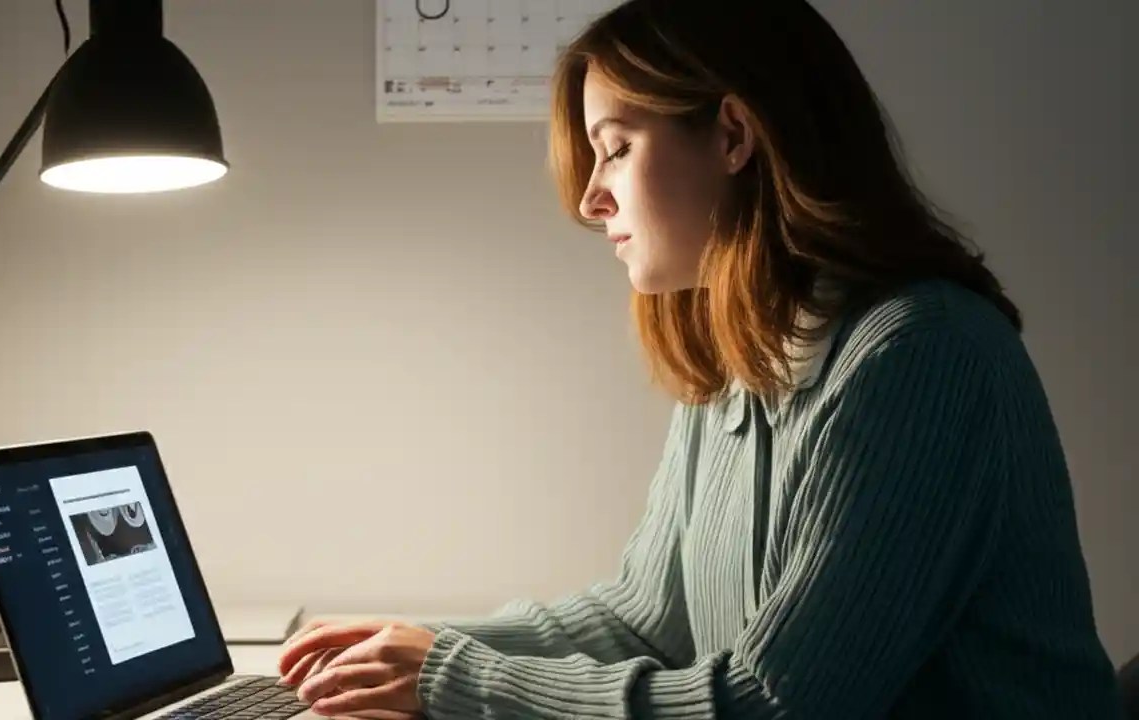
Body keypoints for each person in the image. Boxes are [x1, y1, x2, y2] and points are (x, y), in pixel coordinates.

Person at [275, 0, 1126, 717]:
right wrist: (398, 647)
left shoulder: (923, 355)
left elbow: (776, 702)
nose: (589, 196)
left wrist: (454, 679)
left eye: (615, 145)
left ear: (731, 135)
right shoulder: (742, 357)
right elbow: (645, 620)